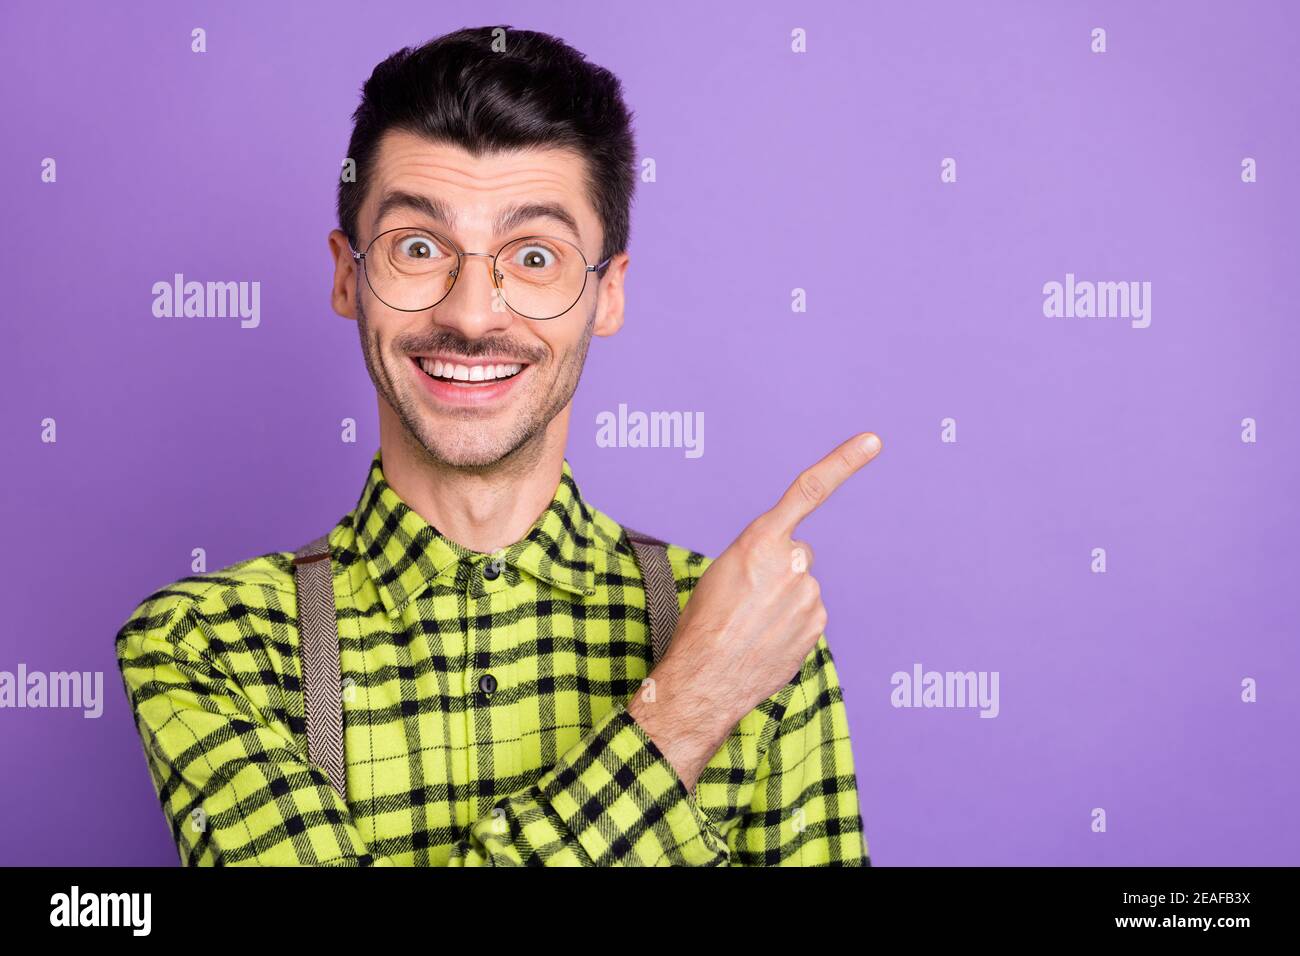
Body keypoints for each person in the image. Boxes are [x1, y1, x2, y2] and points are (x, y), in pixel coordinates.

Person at [114, 24, 883, 866]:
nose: (473, 314)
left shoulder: (759, 633)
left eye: (534, 255)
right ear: (347, 275)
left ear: (608, 294)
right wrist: (687, 710)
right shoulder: (205, 646)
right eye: (418, 248)